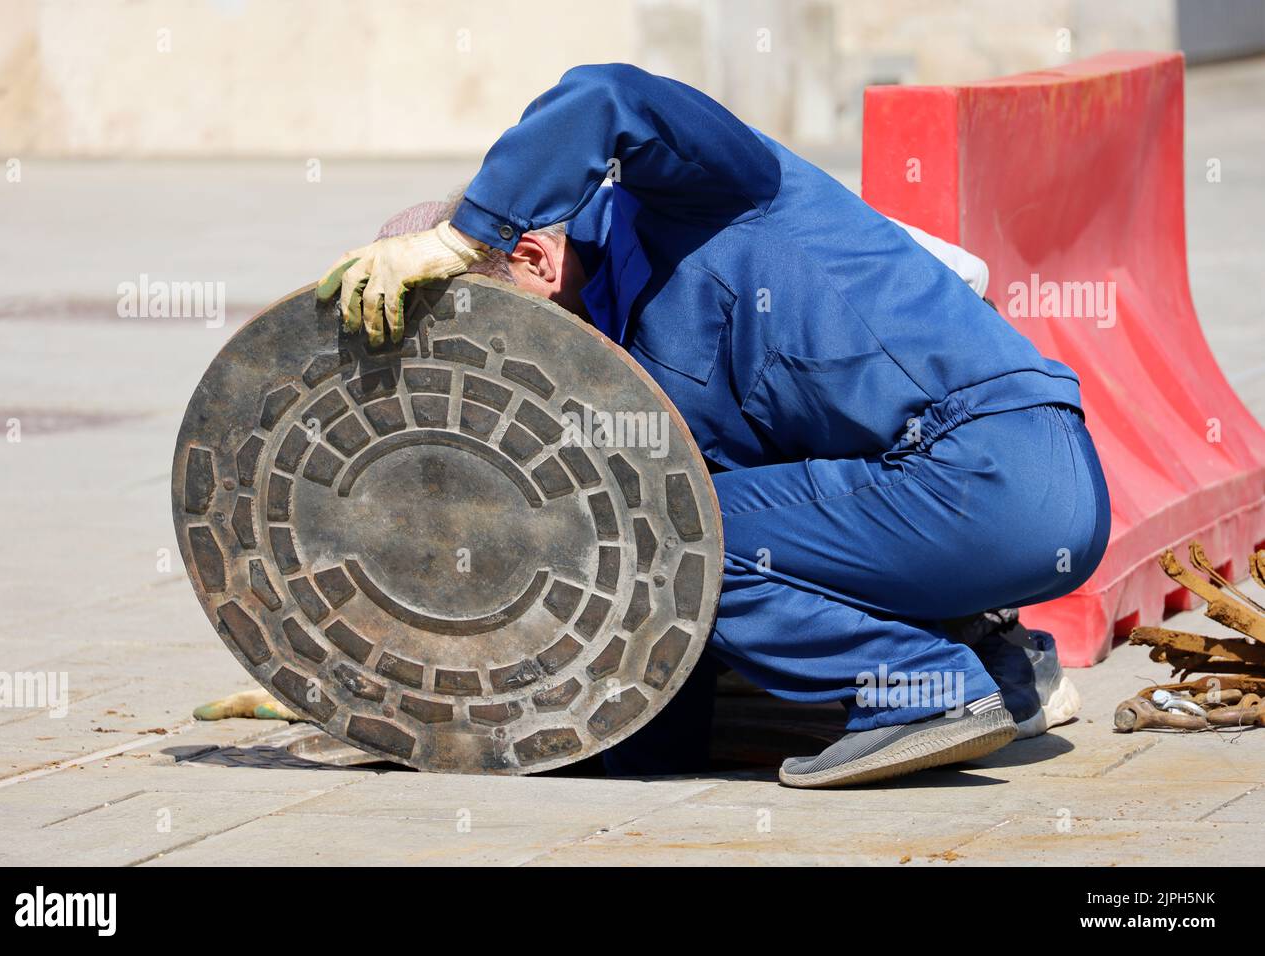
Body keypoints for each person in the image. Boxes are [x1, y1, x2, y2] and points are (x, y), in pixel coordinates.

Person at [308, 63, 1110, 788]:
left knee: (658, 529)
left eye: (492, 342)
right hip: (942, 513)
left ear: (532, 257)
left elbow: (606, 95)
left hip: (992, 464)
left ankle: (926, 690)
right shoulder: (614, 367)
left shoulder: (703, 197)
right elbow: (600, 581)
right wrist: (411, 685)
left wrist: (461, 236)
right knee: (645, 523)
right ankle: (995, 669)